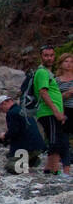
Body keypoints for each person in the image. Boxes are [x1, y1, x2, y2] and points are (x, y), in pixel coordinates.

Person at [33, 44, 66, 175]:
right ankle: (53, 170)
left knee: (56, 139)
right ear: (41, 57)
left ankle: (50, 169)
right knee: (54, 140)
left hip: (52, 112)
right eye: (46, 55)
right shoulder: (42, 72)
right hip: (48, 112)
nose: (49, 58)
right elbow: (43, 92)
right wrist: (56, 111)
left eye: (51, 55)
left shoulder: (49, 73)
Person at [0, 95, 46, 173]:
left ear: (4, 103)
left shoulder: (11, 113)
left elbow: (14, 131)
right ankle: (32, 159)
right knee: (9, 155)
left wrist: (5, 136)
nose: (3, 111)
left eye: (1, 109)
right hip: (39, 145)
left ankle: (31, 161)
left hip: (27, 147)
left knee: (10, 167)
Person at [55, 52, 73, 173]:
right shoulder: (57, 80)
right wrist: (66, 94)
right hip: (65, 110)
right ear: (61, 64)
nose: (69, 64)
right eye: (66, 61)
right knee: (64, 139)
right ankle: (66, 168)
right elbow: (53, 98)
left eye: (71, 62)